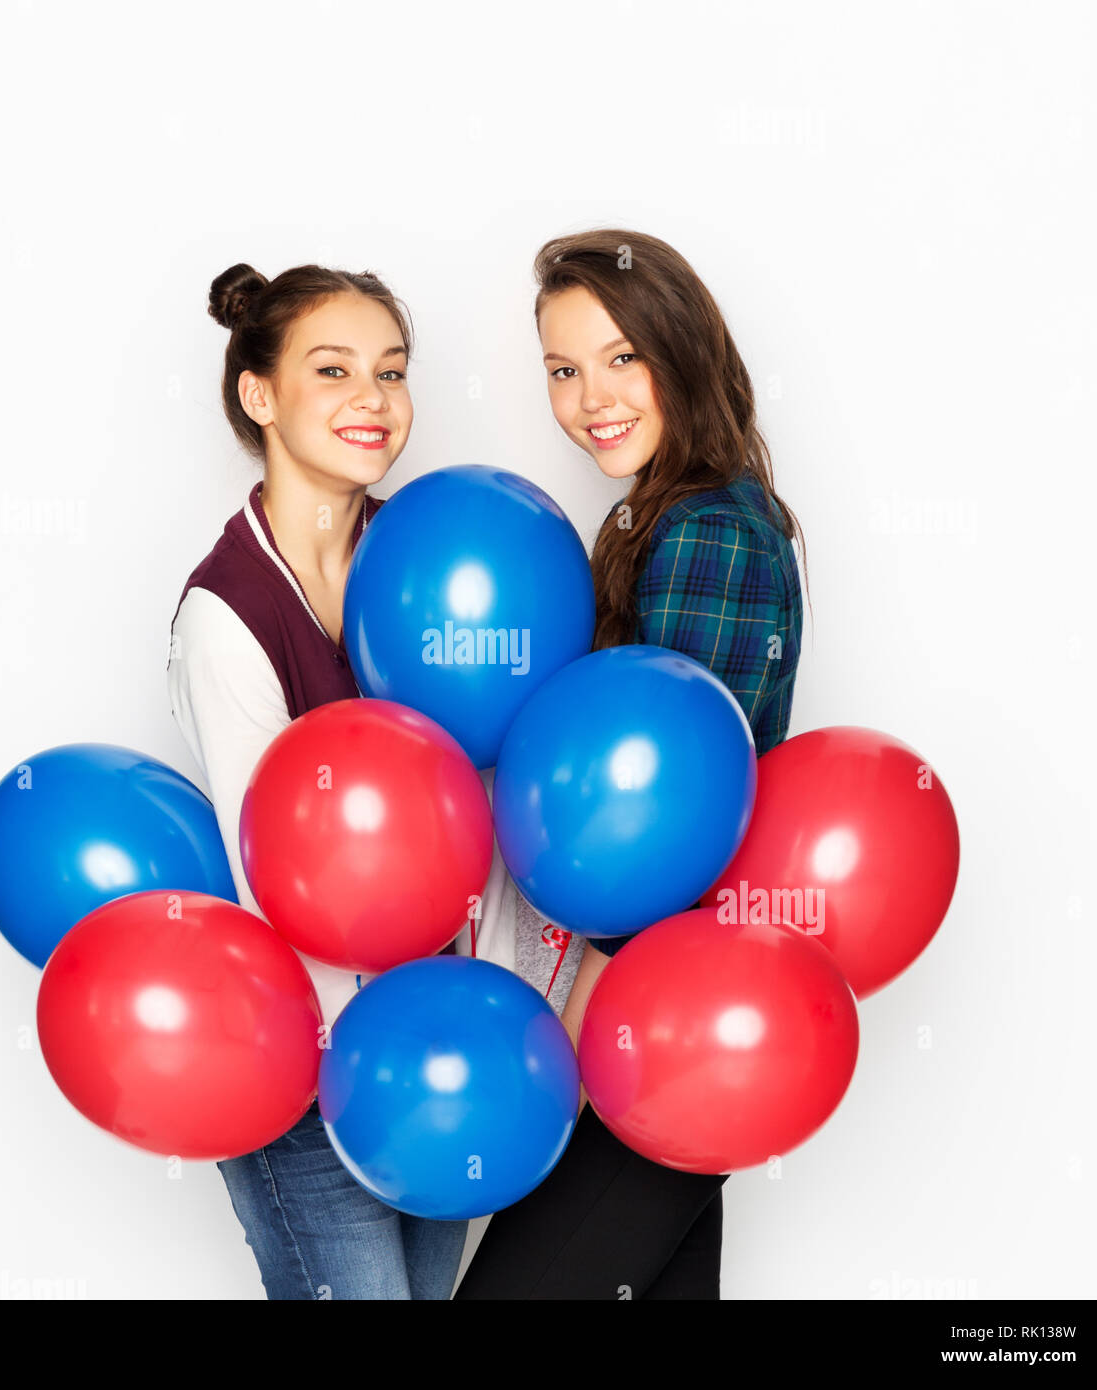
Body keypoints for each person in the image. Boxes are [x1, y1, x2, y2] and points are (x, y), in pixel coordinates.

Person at [454, 227, 809, 1301]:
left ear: (680, 350)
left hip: (657, 1013)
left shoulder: (706, 529)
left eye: (620, 357)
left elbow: (665, 817)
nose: (588, 396)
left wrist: (576, 1020)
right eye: (562, 369)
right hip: (684, 1017)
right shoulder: (664, 514)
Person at [165, 260, 521, 1299]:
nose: (373, 398)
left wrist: (489, 1018)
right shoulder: (226, 615)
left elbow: (489, 803)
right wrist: (366, 1072)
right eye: (333, 370)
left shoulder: (432, 567)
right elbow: (264, 868)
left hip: (441, 1045)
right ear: (259, 395)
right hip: (297, 1058)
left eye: (391, 370)